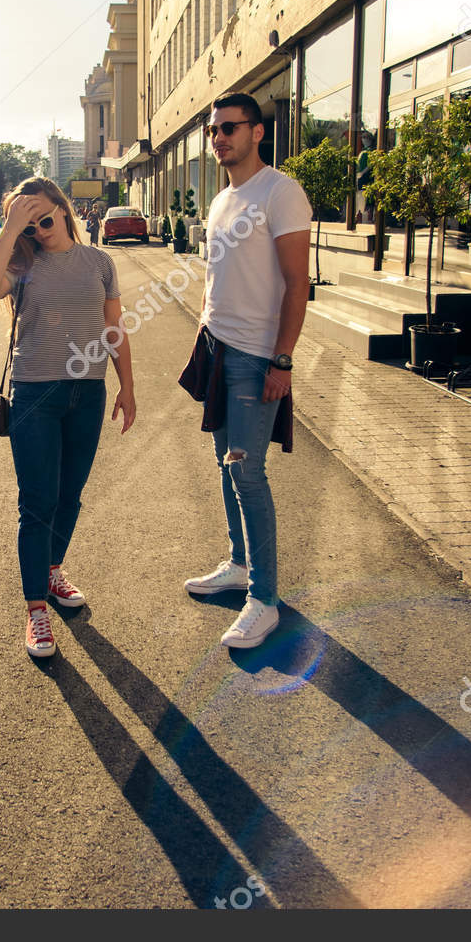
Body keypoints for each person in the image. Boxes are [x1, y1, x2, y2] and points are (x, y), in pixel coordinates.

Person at [0, 177, 136, 658]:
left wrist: (127, 385)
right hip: (36, 395)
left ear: (64, 212)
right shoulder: (20, 262)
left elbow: (114, 327)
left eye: (45, 218)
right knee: (38, 501)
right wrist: (11, 230)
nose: (40, 230)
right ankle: (36, 610)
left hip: (87, 393)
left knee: (70, 496)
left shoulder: (99, 262)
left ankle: (52, 570)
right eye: (30, 222)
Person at [182, 93, 311, 650]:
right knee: (223, 462)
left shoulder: (280, 192)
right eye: (214, 131)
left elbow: (297, 283)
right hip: (218, 348)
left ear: (258, 132)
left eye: (229, 128)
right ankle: (238, 564)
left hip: (257, 355)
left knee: (246, 472)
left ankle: (265, 599)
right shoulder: (223, 199)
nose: (219, 138)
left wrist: (282, 359)